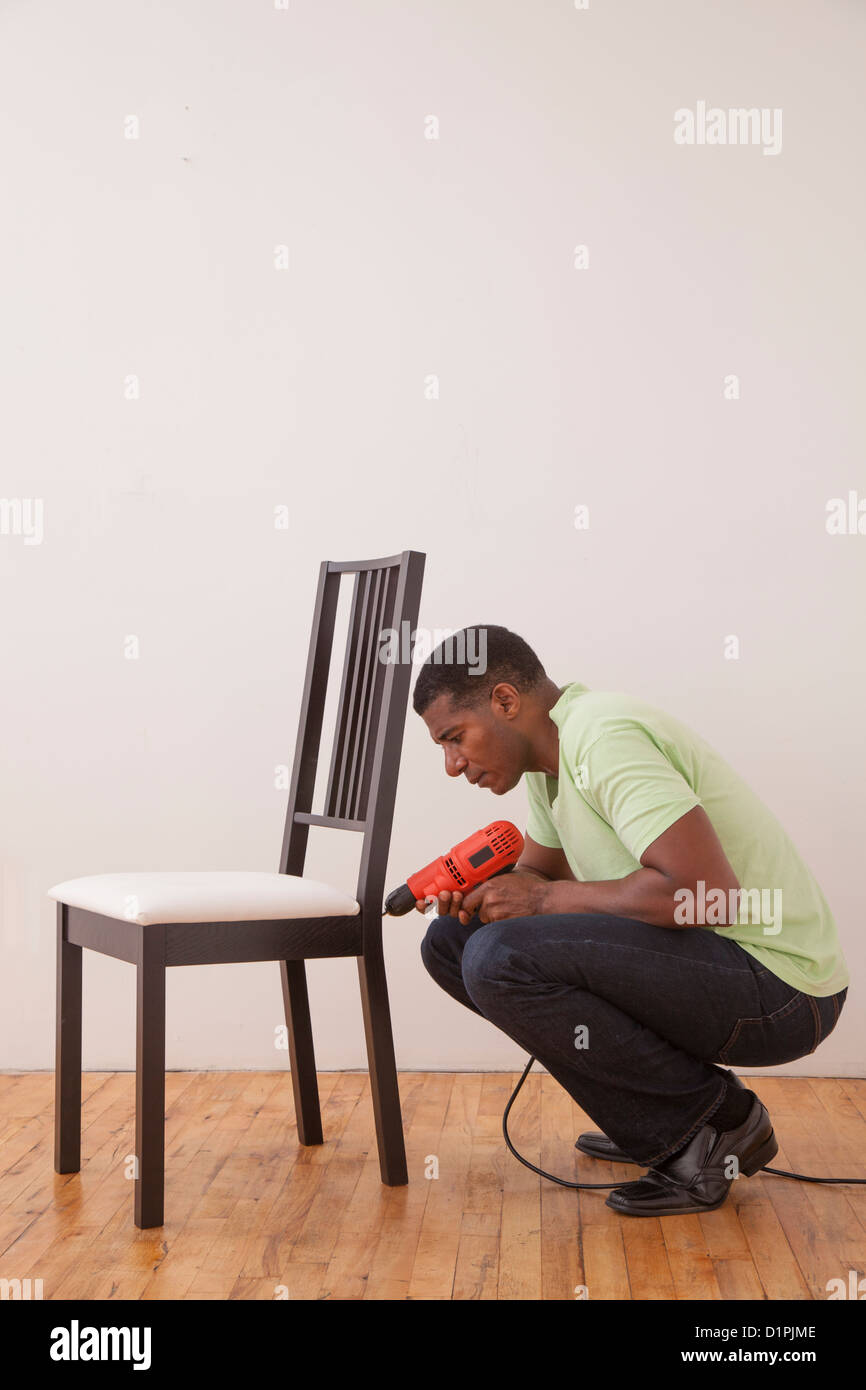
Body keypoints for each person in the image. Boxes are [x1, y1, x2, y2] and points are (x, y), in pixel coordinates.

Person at [412, 625, 849, 1216]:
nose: (451, 764)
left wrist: (536, 904)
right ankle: (676, 1118)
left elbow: (707, 895)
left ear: (506, 701)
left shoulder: (603, 736)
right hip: (712, 969)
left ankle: (704, 1131)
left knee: (500, 957)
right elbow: (540, 879)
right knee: (453, 943)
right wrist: (489, 894)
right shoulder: (549, 762)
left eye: (454, 738)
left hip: (783, 991)